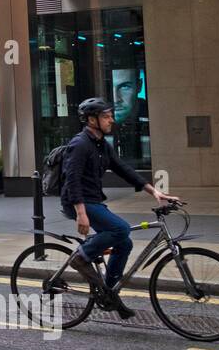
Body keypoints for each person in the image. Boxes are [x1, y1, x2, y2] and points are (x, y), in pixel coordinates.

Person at [61, 97, 179, 319]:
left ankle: (108, 292)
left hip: (94, 200)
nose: (111, 120)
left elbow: (123, 169)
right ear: (91, 120)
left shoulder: (101, 145)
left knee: (124, 243)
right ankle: (81, 256)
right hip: (77, 202)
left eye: (110, 116)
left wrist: (154, 192)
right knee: (120, 229)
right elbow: (72, 180)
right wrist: (81, 213)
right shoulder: (79, 144)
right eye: (106, 117)